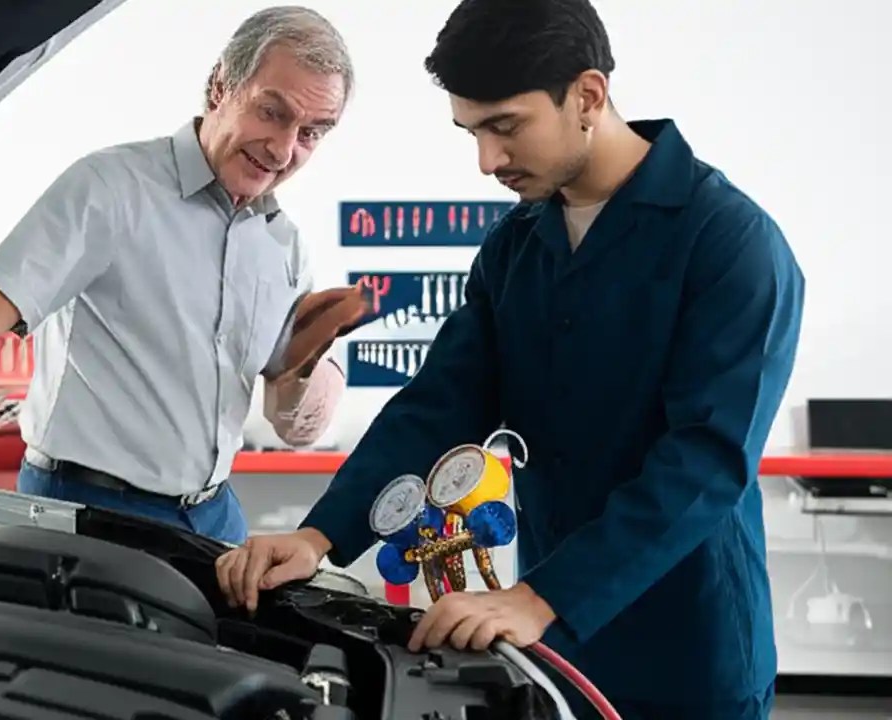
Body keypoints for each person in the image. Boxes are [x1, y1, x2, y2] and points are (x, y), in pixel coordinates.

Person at [215, 0, 804, 717]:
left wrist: (543, 597)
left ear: (587, 96)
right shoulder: (515, 247)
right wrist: (321, 535)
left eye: (505, 127)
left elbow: (705, 463)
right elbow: (441, 406)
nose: (487, 160)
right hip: (549, 641)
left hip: (688, 651)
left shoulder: (732, 245)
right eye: (472, 131)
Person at [0, 6, 366, 546]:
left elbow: (286, 413)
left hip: (214, 516)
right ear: (221, 85)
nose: (285, 149)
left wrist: (305, 380)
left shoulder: (284, 247)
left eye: (311, 133)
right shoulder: (111, 188)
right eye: (272, 112)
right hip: (87, 510)